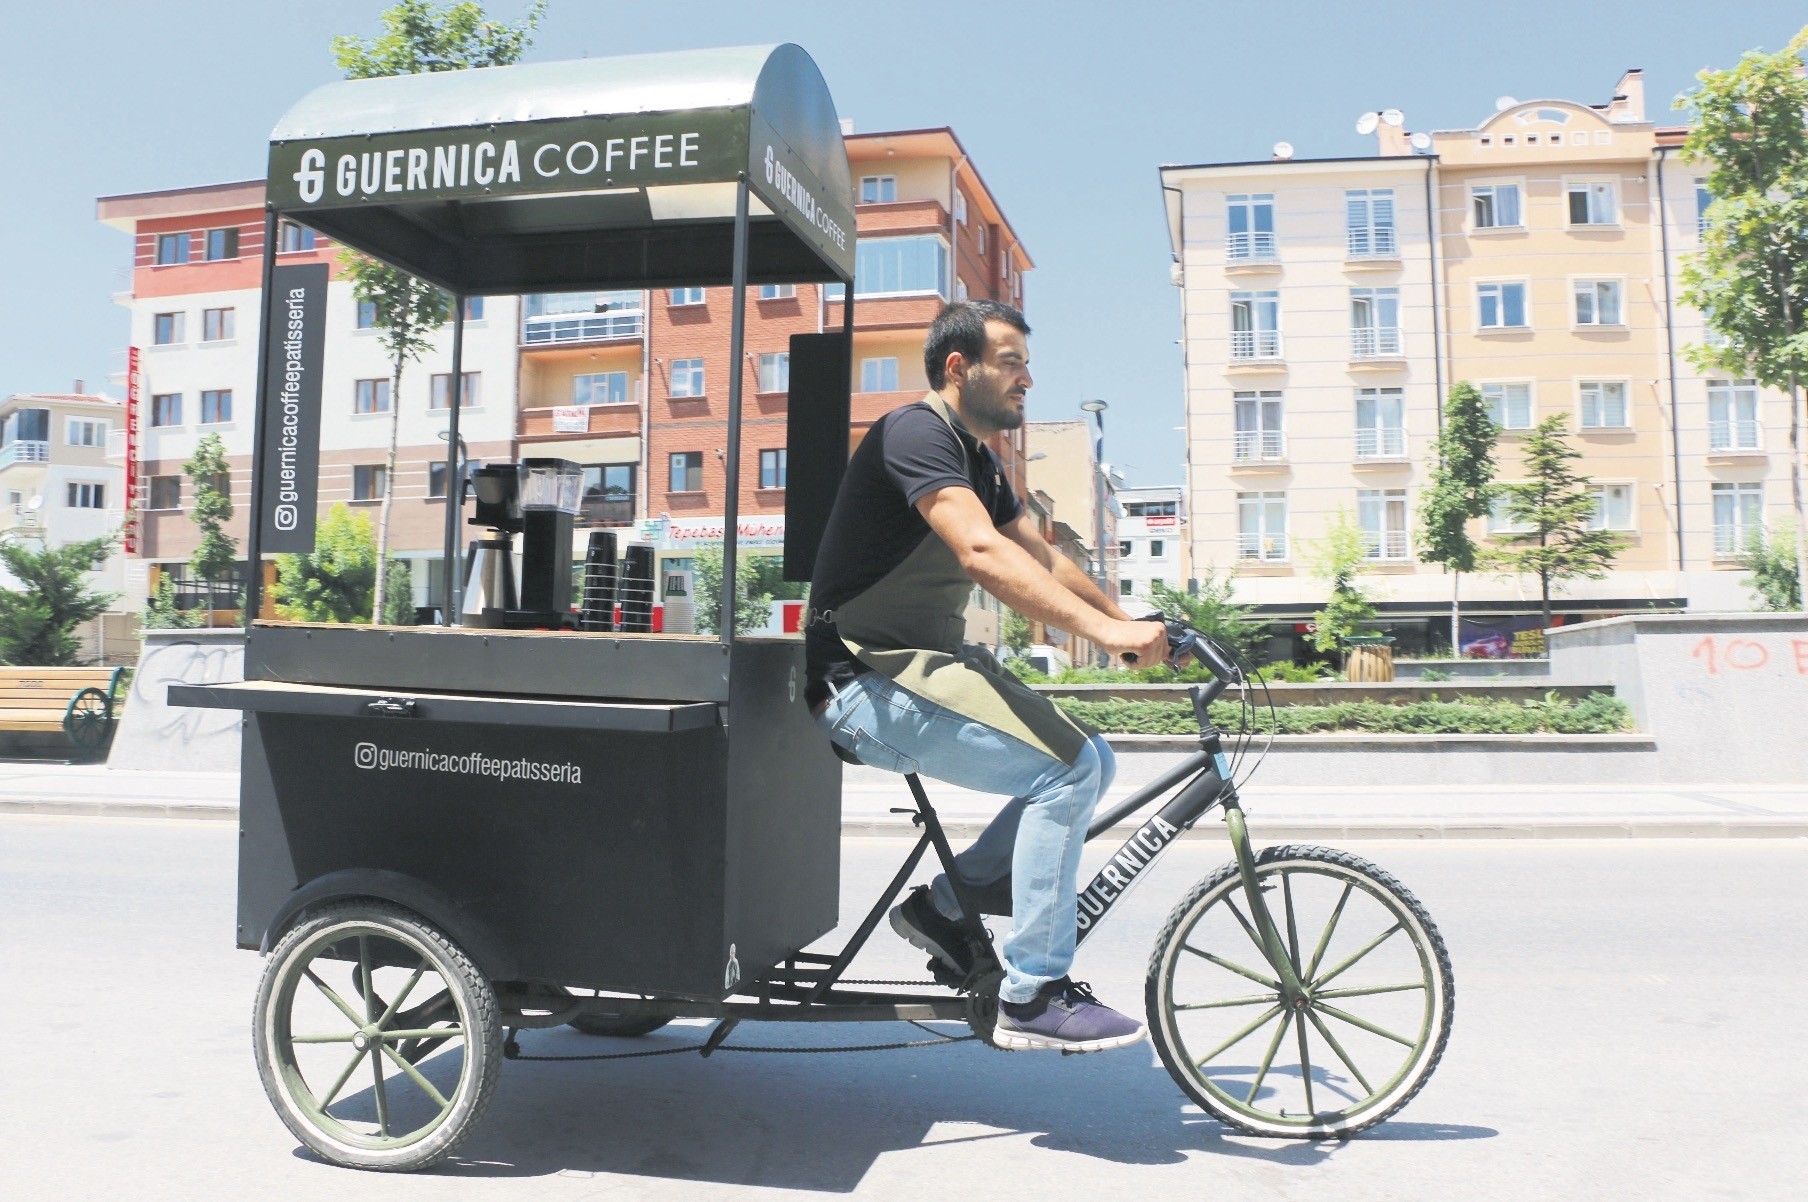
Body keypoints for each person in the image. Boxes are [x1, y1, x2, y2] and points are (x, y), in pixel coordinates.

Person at [805, 299, 1167, 1053]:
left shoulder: (976, 460)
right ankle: (1032, 994)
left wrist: (1131, 620)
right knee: (1063, 774)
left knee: (1092, 758)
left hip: (918, 666)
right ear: (958, 368)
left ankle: (944, 908)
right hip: (862, 681)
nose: (1028, 379)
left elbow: (1043, 557)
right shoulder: (915, 433)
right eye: (1012, 362)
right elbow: (979, 552)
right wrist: (1105, 633)